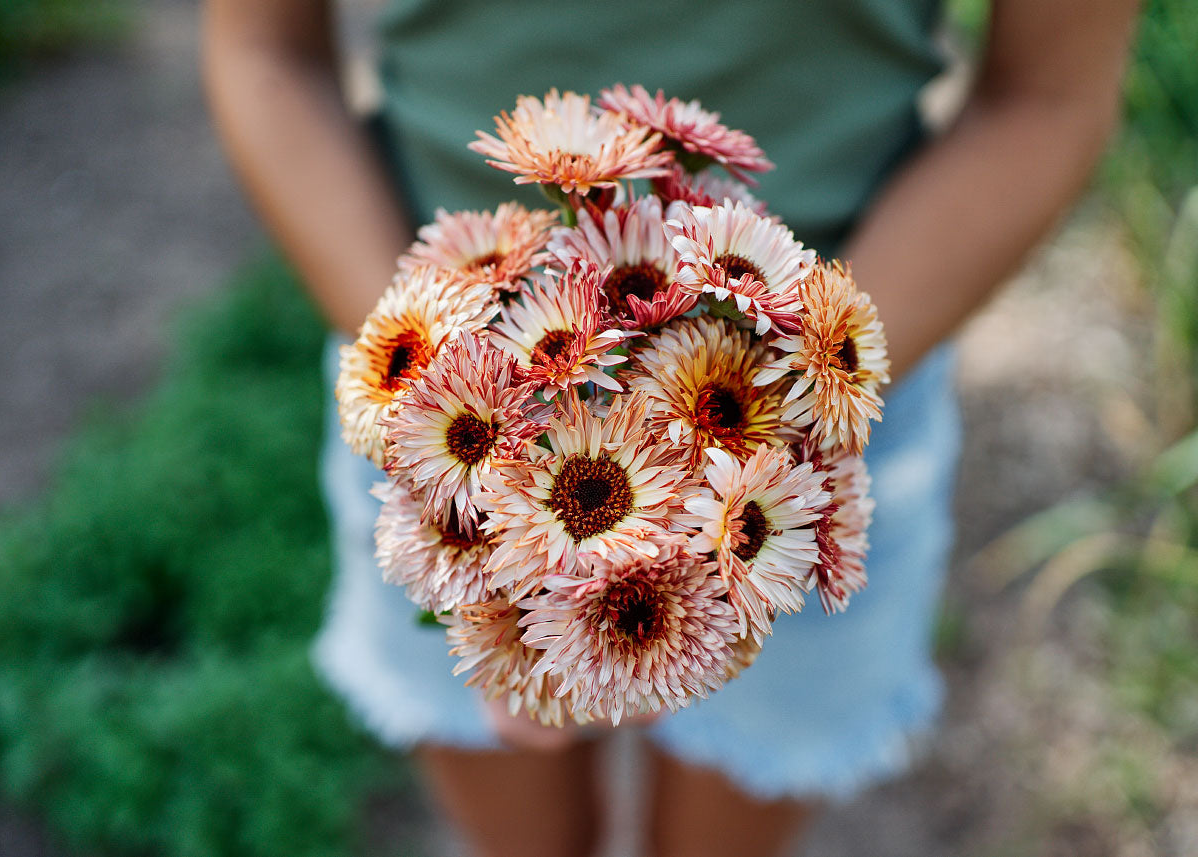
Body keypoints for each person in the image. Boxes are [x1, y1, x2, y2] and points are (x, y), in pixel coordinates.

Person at [202, 2, 1140, 855]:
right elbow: (262, 50)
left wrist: (795, 408)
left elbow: (1046, 98)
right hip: (426, 410)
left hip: (823, 431)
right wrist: (434, 400)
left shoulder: (789, 456)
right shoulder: (439, 436)